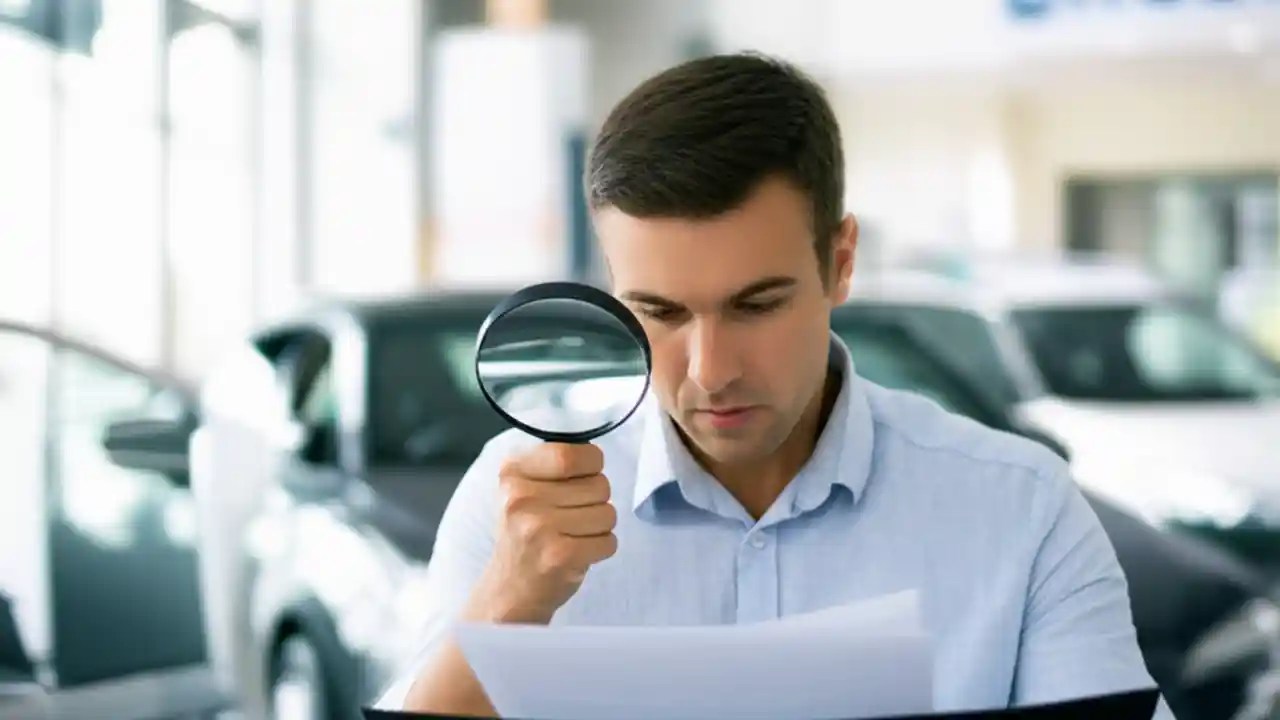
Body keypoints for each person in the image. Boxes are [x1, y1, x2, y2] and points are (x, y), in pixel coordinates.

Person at [376, 52, 1170, 717]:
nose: (710, 370)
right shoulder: (510, 502)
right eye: (659, 311)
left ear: (842, 262)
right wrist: (511, 602)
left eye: (756, 305)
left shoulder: (1021, 511)